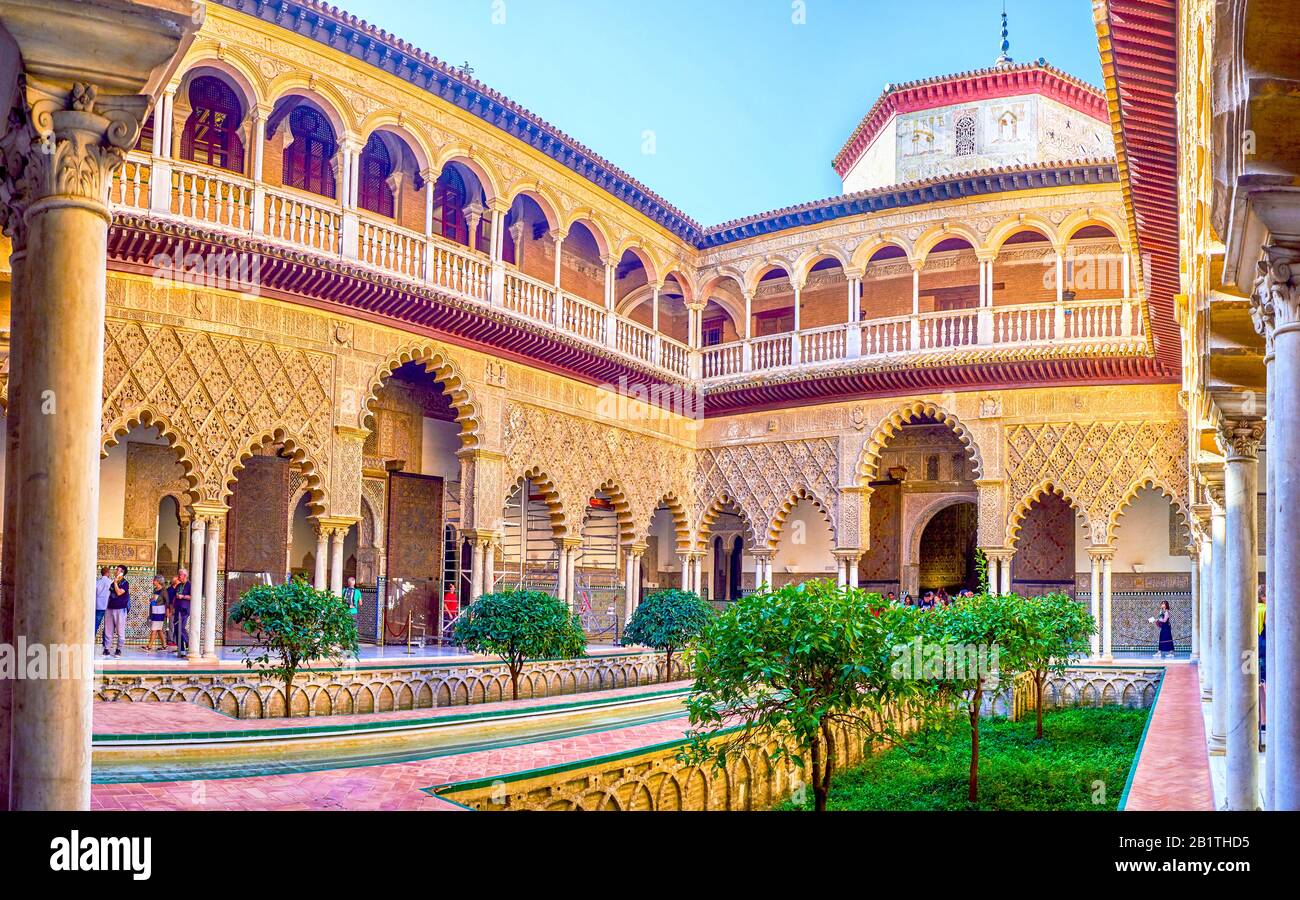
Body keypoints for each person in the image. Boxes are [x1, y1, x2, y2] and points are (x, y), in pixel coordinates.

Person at [103, 565, 130, 657]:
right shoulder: (112, 583)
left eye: (118, 570)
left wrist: (115, 583)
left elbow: (119, 592)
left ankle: (119, 649)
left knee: (120, 630)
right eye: (116, 569)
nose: (115, 571)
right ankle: (107, 648)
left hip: (120, 609)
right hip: (110, 608)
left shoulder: (125, 583)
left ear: (122, 573)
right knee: (108, 629)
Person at [144, 575, 168, 651]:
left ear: (158, 581)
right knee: (159, 629)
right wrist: (151, 599)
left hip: (160, 613)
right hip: (154, 611)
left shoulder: (163, 591)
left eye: (154, 580)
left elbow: (167, 601)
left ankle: (149, 646)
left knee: (154, 629)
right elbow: (154, 599)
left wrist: (167, 612)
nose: (153, 581)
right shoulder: (155, 589)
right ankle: (164, 645)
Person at [173, 567, 192, 657]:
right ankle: (181, 649)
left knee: (181, 628)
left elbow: (192, 596)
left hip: (185, 610)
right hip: (177, 610)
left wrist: (183, 596)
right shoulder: (179, 585)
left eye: (180, 574)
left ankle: (189, 643)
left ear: (184, 576)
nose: (178, 576)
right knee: (176, 630)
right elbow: (175, 596)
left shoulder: (189, 585)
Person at [94, 567, 112, 642]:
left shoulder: (97, 582)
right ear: (107, 573)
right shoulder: (111, 582)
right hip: (108, 606)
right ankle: (105, 642)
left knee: (96, 624)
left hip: (98, 606)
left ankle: (91, 640)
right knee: (107, 626)